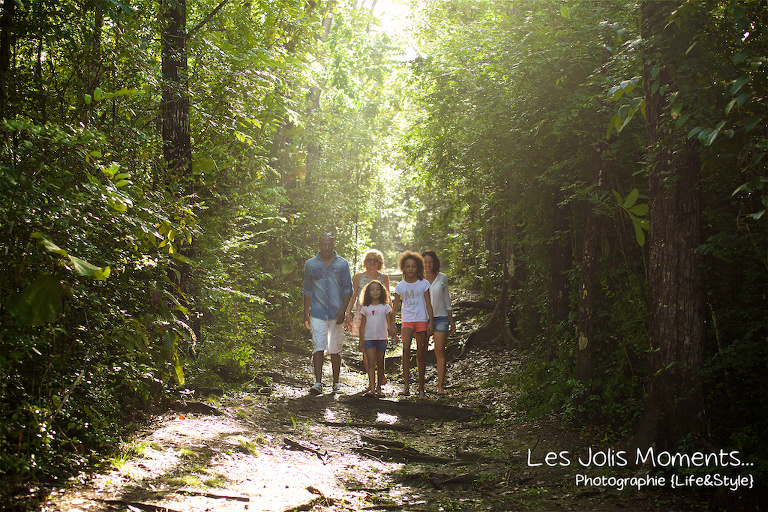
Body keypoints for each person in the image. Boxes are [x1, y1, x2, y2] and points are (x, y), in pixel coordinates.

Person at [303, 233, 353, 395]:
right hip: (317, 312)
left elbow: (348, 289)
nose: (326, 247)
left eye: (329, 244)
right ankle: (318, 382)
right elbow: (307, 290)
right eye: (323, 244)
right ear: (319, 244)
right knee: (318, 346)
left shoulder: (342, 264)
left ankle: (336, 383)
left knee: (335, 349)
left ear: (333, 244)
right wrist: (305, 312)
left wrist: (343, 310)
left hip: (336, 313)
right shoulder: (310, 264)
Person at [345, 249, 391, 389]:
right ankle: (370, 381)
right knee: (365, 347)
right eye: (369, 260)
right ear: (365, 262)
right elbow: (353, 296)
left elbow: (388, 299)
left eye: (375, 260)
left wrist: (391, 316)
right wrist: (348, 313)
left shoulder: (384, 277)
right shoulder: (359, 277)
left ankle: (380, 377)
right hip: (361, 314)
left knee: (378, 348)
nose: (372, 262)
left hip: (379, 316)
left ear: (379, 262)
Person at [392, 251, 434, 398]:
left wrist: (431, 322)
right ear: (403, 268)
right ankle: (406, 385)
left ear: (418, 268)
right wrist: (391, 326)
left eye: (413, 266)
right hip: (407, 320)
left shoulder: (424, 284)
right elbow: (395, 307)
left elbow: (429, 304)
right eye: (407, 266)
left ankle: (421, 387)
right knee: (405, 350)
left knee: (421, 354)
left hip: (422, 320)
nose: (410, 269)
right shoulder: (400, 286)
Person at [422, 250, 456, 395]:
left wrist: (451, 318)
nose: (428, 265)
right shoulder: (418, 279)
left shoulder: (442, 277)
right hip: (423, 318)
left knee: (440, 350)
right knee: (421, 352)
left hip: (441, 317)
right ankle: (420, 385)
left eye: (430, 262)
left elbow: (446, 299)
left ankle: (440, 386)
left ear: (434, 262)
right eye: (425, 262)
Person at [358, 280, 398, 397]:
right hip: (369, 339)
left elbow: (389, 323)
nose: (375, 291)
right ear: (368, 293)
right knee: (371, 363)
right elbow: (363, 325)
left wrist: (394, 335)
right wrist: (361, 340)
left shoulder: (385, 307)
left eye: (377, 289)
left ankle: (379, 388)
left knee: (381, 364)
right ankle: (372, 388)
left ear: (382, 292)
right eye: (372, 289)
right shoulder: (365, 307)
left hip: (381, 338)